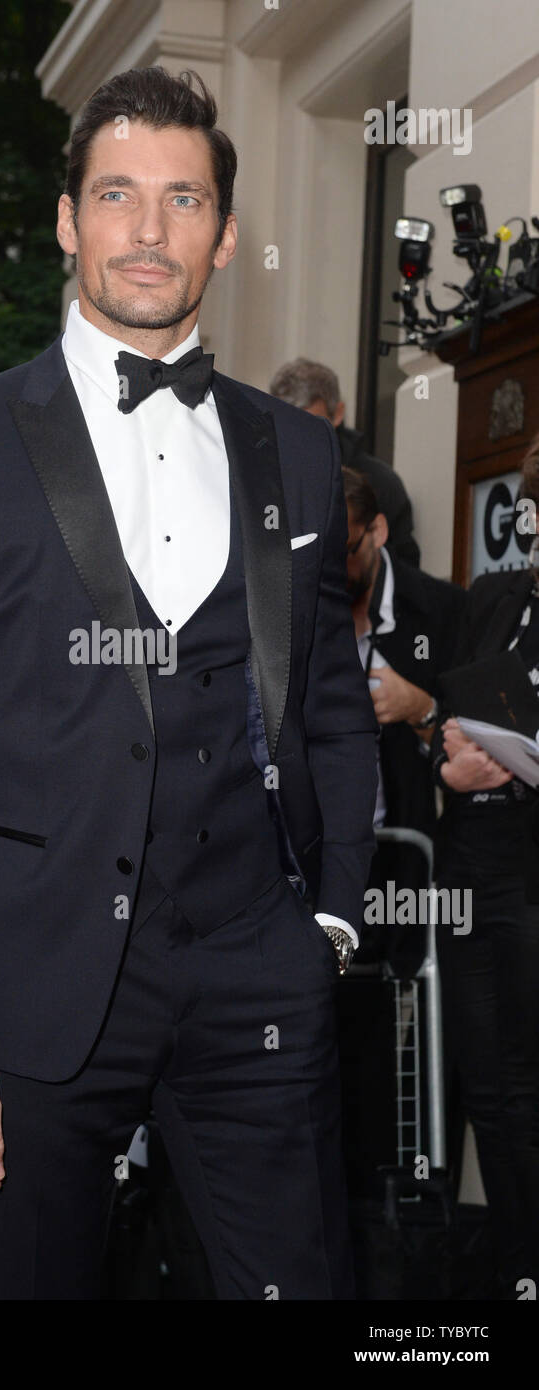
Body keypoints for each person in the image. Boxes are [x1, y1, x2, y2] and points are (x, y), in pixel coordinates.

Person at [0, 65, 379, 1301]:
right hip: (31, 988)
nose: (149, 231)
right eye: (117, 195)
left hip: (259, 971)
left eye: (183, 199)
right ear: (66, 219)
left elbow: (329, 703)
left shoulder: (300, 451)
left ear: (225, 236)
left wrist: (334, 920)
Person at [432, 436, 539, 1296]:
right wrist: (446, 760)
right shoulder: (494, 598)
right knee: (490, 1089)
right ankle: (517, 1273)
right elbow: (449, 713)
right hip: (473, 876)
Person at [342, 467, 466, 968]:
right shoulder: (302, 606)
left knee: (397, 1021)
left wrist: (420, 709)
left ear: (378, 531)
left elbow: (476, 743)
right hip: (320, 867)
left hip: (406, 863)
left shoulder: (443, 611)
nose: (336, 571)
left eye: (347, 553)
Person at [270, 357, 420, 567]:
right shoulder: (262, 479)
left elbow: (402, 574)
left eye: (310, 424)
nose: (298, 437)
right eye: (285, 425)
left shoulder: (380, 484)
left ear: (338, 414)